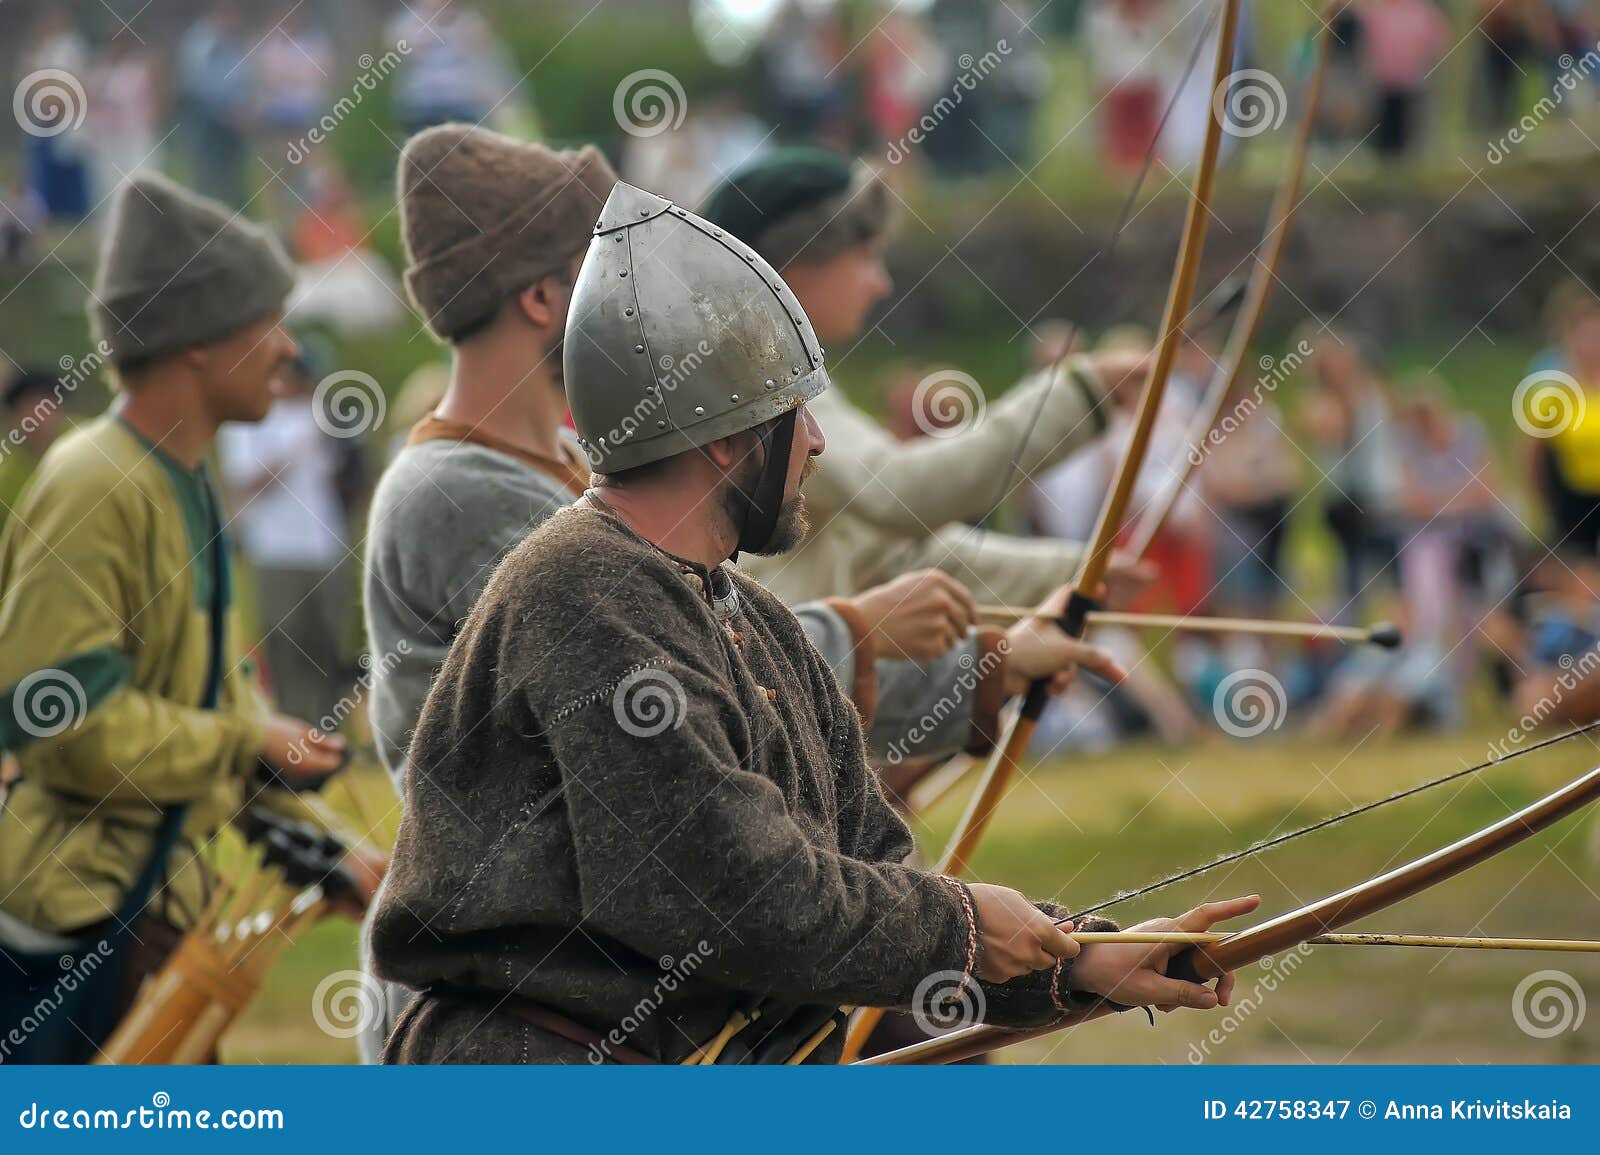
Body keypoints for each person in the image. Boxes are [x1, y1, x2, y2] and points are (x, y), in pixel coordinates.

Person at [369, 177, 1258, 1064]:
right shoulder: (585, 592)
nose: (820, 443)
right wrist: (965, 929)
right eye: (796, 416)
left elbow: (866, 867)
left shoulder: (744, 611)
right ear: (726, 438)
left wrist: (1086, 958)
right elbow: (738, 898)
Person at [0, 172, 379, 1061]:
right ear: (198, 344)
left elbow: (214, 707)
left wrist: (329, 852)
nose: (286, 349)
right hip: (69, 945)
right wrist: (245, 743)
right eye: (265, 323)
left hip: (147, 928)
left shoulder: (189, 480)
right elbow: (61, 720)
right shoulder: (96, 482)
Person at [699, 147, 1148, 610]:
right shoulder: (756, 382)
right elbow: (903, 492)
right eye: (867, 256)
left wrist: (1074, 572)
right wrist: (1085, 391)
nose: (882, 283)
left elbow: (893, 548)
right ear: (794, 264)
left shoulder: (760, 372)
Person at [218, 343, 353, 727]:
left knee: (326, 643)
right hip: (275, 550)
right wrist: (290, 453)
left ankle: (330, 729)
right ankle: (292, 728)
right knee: (284, 643)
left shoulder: (321, 417)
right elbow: (243, 482)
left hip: (324, 547)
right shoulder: (246, 420)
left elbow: (346, 476)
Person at [0, 367, 72, 535]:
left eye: (46, 405)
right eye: (29, 405)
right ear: (15, 414)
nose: (39, 415)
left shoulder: (84, 446)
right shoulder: (6, 478)